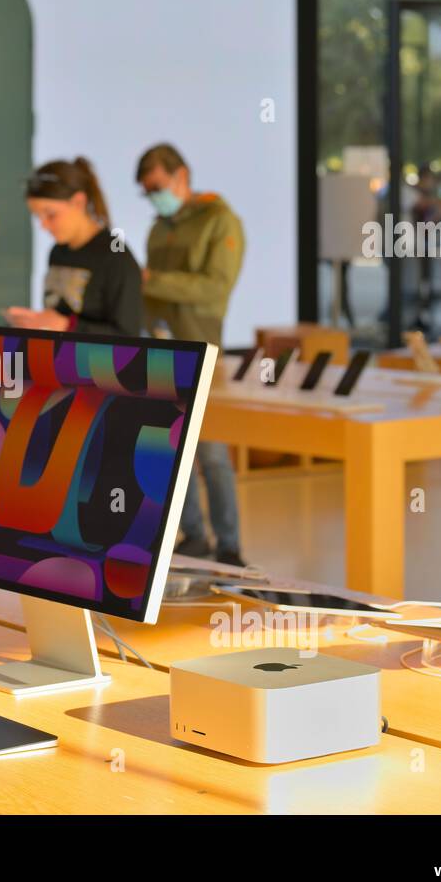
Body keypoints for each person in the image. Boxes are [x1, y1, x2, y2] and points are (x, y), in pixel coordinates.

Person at [137, 143, 246, 566]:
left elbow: (214, 288)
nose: (155, 197)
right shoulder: (159, 226)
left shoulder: (220, 221)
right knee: (173, 451)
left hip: (204, 349)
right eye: (147, 191)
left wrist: (153, 280)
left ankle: (230, 545)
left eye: (159, 187)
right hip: (163, 351)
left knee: (213, 453)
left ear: (181, 176)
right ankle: (195, 536)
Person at [10, 157, 142, 336]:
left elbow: (128, 336)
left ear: (78, 202)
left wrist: (68, 325)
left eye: (50, 214)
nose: (44, 225)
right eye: (37, 216)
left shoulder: (116, 256)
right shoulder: (57, 252)